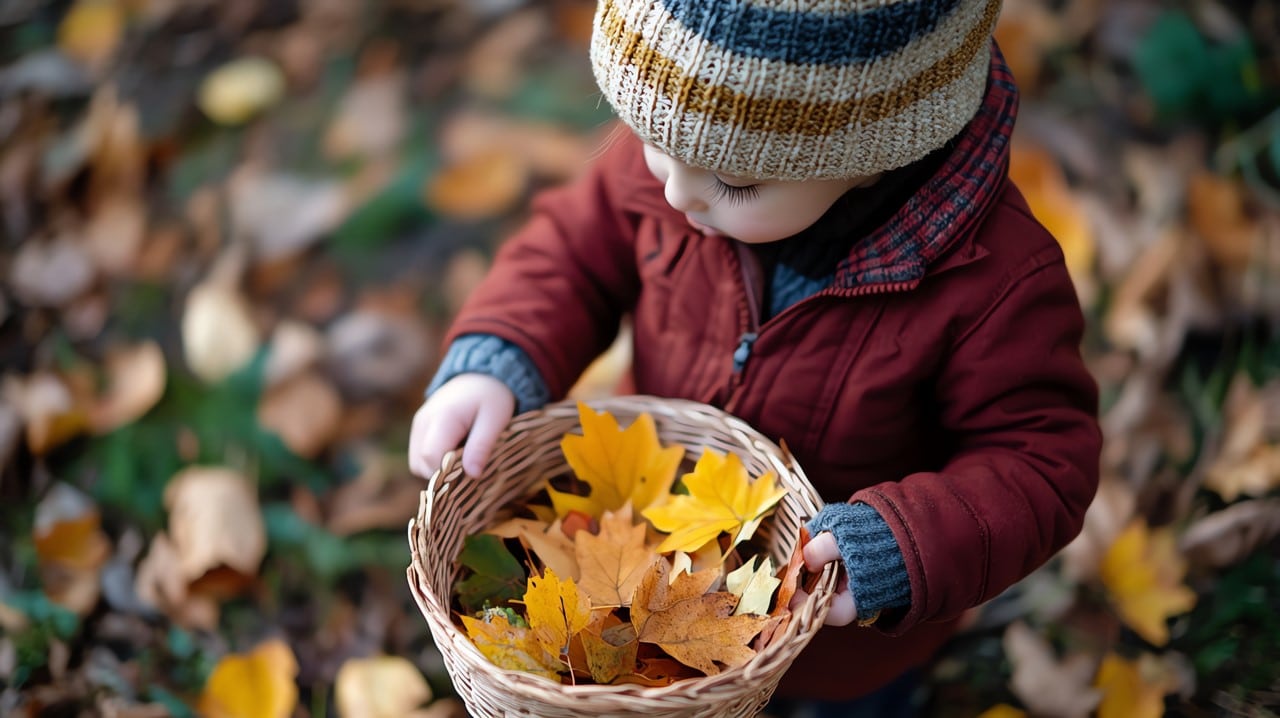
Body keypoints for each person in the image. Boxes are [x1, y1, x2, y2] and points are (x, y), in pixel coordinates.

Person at [409, 0, 1102, 712]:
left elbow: (1042, 458)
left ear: (872, 157)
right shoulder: (689, 145)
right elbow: (572, 253)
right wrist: (497, 355)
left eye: (734, 183)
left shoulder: (993, 284)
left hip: (842, 639)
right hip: (652, 540)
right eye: (650, 140)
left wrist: (904, 545)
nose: (675, 191)